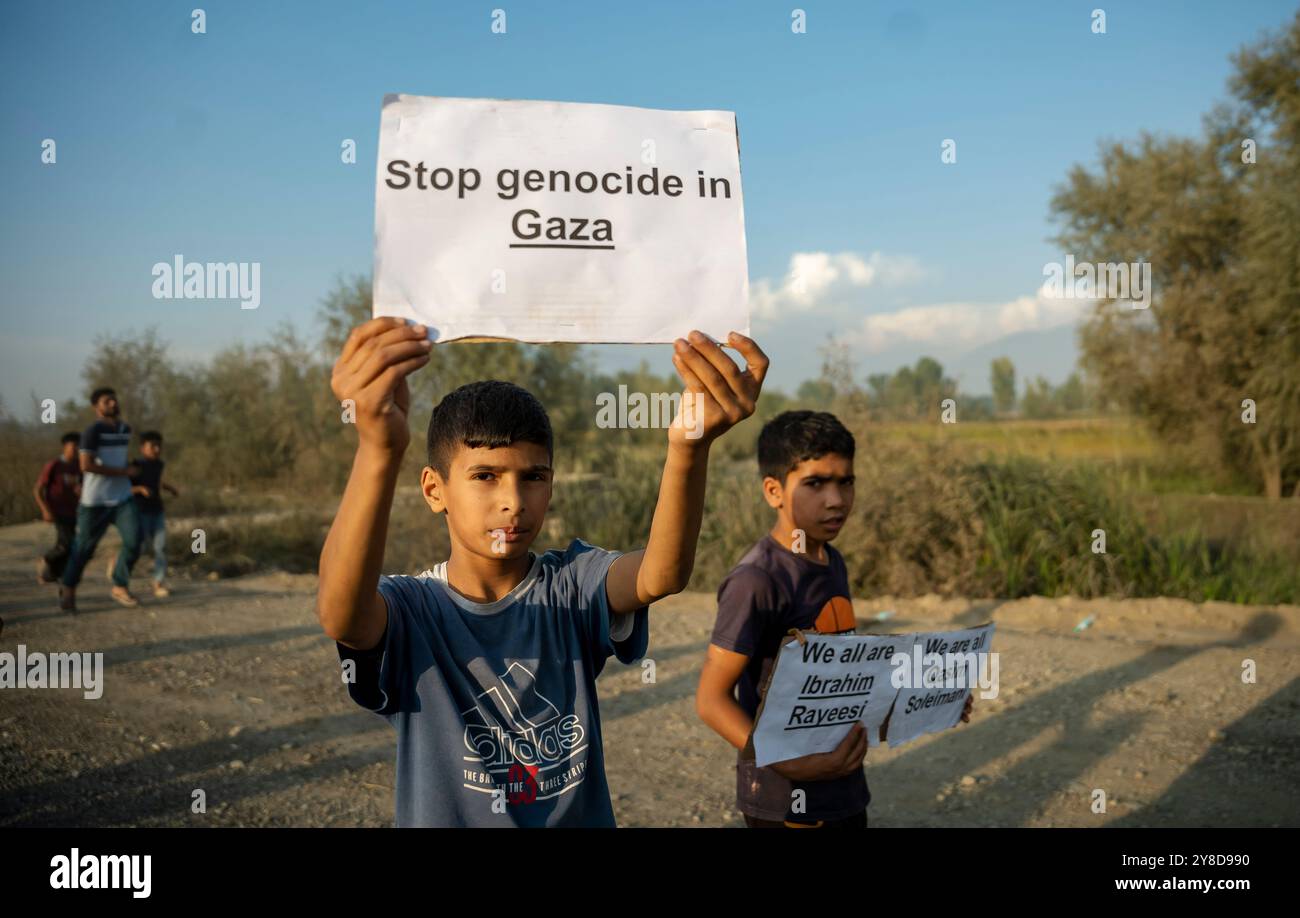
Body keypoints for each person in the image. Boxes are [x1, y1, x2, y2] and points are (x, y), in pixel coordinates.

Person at [317, 317, 767, 826]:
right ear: (433, 489)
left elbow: (660, 575)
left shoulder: (571, 583)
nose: (513, 502)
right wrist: (378, 449)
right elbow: (340, 613)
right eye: (485, 476)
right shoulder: (412, 610)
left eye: (533, 478)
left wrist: (689, 448)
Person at [695, 410, 972, 829]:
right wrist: (790, 761)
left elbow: (844, 675)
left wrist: (926, 699)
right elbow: (711, 701)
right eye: (815, 483)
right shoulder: (757, 579)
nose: (836, 499)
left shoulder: (830, 559)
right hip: (787, 800)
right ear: (774, 491)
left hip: (843, 785)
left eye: (846, 481)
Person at [58, 387, 143, 611]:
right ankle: (68, 588)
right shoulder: (92, 431)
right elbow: (86, 465)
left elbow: (119, 459)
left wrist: (131, 471)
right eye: (107, 402)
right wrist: (124, 472)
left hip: (122, 498)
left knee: (135, 540)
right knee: (84, 548)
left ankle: (119, 584)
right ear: (96, 407)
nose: (113, 404)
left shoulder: (125, 429)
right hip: (95, 501)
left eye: (114, 400)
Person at [129, 431, 180, 598]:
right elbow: (123, 488)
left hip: (157, 510)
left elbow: (156, 481)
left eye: (159, 446)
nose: (157, 449)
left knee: (161, 547)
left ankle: (158, 583)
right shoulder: (135, 465)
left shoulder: (159, 465)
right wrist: (139, 489)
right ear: (142, 448)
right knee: (139, 547)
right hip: (140, 510)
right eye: (152, 446)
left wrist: (169, 488)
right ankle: (117, 565)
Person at [34, 432, 84, 583]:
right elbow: (37, 489)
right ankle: (47, 559)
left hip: (73, 511)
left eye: (78, 447)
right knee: (66, 543)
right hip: (57, 511)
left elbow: (81, 486)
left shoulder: (79, 466)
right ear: (65, 447)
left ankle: (51, 574)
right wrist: (45, 509)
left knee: (69, 544)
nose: (76, 450)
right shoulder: (54, 465)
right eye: (73, 447)